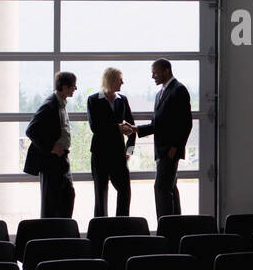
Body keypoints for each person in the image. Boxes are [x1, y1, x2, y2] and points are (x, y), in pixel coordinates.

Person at [124, 58, 191, 219]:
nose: (153, 76)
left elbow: (185, 123)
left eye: (155, 72)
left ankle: (166, 228)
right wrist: (136, 129)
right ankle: (175, 226)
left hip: (169, 151)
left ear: (166, 70)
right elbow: (157, 124)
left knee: (161, 189)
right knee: (170, 189)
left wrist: (175, 147)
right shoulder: (159, 94)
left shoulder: (179, 90)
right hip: (161, 151)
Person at [23, 71, 77, 219]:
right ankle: (52, 236)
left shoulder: (60, 103)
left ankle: (62, 232)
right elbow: (31, 130)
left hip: (61, 160)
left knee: (66, 197)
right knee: (52, 204)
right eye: (73, 86)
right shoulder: (50, 105)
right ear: (65, 87)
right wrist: (52, 147)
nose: (75, 88)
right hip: (51, 162)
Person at [86, 67, 136, 217]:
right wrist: (118, 128)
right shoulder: (93, 100)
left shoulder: (122, 100)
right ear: (111, 80)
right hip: (99, 152)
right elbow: (95, 127)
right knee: (100, 193)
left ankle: (122, 224)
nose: (122, 83)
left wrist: (129, 150)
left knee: (125, 190)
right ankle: (102, 228)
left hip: (118, 153)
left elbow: (131, 127)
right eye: (120, 80)